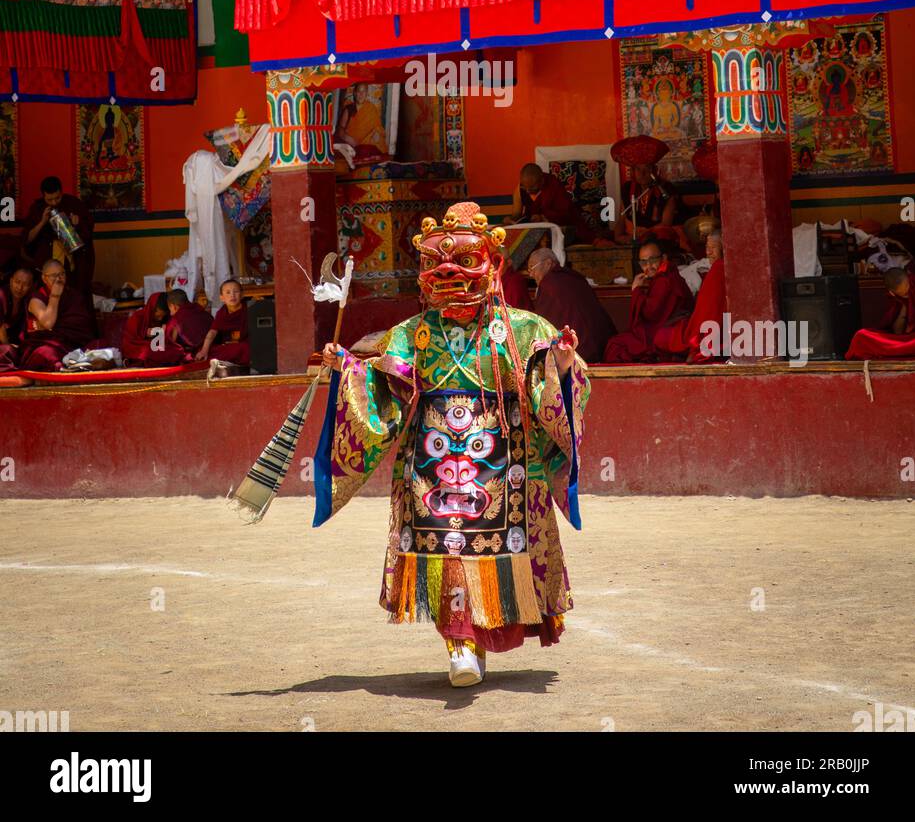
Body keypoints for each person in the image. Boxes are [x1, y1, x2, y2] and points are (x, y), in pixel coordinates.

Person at [234, 201, 590, 690]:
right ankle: (459, 644)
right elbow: (385, 385)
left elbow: (556, 385)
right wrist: (349, 370)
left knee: (492, 556)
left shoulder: (525, 329)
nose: (450, 276)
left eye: (465, 264)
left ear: (493, 265)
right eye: (438, 266)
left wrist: (565, 365)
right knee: (447, 552)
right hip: (433, 464)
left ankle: (477, 639)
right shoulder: (412, 334)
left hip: (506, 465)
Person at [604, 236, 693, 364]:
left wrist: (636, 291)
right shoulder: (668, 275)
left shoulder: (664, 280)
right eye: (643, 262)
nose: (648, 266)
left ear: (663, 258)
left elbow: (650, 313)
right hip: (665, 328)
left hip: (661, 333)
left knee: (615, 346)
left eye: (652, 260)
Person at [526, 248, 616, 365]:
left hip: (580, 350)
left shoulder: (549, 283)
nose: (531, 274)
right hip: (603, 345)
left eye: (532, 268)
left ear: (548, 263)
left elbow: (543, 322)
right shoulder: (574, 276)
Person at [653, 229, 728, 363]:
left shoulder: (719, 269)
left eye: (713, 248)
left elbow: (709, 315)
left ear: (725, 248)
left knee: (660, 336)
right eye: (707, 247)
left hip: (705, 335)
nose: (708, 252)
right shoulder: (720, 268)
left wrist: (697, 345)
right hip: (713, 331)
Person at [20, 176, 95, 295]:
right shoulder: (38, 208)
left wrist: (77, 223)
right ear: (43, 196)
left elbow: (88, 231)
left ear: (61, 192)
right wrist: (42, 222)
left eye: (57, 198)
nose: (54, 202)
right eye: (50, 200)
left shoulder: (73, 203)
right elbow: (27, 239)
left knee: (74, 295)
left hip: (71, 264)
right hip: (47, 262)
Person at [19, 260, 97, 371]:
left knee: (98, 347)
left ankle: (70, 363)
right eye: (54, 276)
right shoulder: (36, 298)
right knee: (45, 353)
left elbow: (81, 324)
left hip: (74, 342)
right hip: (52, 343)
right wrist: (55, 296)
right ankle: (62, 367)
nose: (59, 279)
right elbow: (48, 323)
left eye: (62, 274)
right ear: (44, 278)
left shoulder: (73, 295)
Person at [505, 162, 597, 244]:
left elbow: (566, 214)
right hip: (534, 229)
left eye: (532, 188)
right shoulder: (521, 189)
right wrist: (510, 219)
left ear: (542, 180)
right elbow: (517, 214)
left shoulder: (553, 185)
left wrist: (543, 217)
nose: (528, 191)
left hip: (557, 227)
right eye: (525, 188)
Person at [846, 268, 915, 359]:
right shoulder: (894, 300)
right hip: (902, 341)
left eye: (909, 289)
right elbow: (898, 332)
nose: (909, 294)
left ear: (909, 279)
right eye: (904, 294)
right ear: (892, 293)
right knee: (861, 336)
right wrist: (904, 305)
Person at [614, 162, 677, 245]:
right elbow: (622, 219)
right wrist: (619, 237)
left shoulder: (665, 188)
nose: (642, 173)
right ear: (633, 171)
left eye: (647, 168)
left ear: (654, 170)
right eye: (638, 169)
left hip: (656, 236)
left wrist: (645, 234)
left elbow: (666, 223)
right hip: (632, 236)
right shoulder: (627, 188)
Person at [195, 278, 250, 370]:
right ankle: (225, 362)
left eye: (236, 291)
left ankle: (225, 362)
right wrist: (204, 350)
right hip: (228, 346)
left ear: (242, 295)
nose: (232, 295)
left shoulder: (249, 309)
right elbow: (213, 332)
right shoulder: (221, 312)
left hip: (243, 345)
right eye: (228, 292)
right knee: (206, 350)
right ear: (222, 298)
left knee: (246, 348)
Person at [0, 264, 35, 371]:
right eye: (17, 282)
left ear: (30, 286)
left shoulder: (28, 301)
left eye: (25, 284)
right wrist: (9, 348)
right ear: (10, 281)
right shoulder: (1, 296)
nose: (19, 288)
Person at [119, 292, 169, 365]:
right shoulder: (136, 317)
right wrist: (145, 333)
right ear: (152, 309)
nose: (160, 319)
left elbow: (166, 340)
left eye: (163, 316)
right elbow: (128, 342)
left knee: (174, 350)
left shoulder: (166, 319)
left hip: (157, 348)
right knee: (147, 352)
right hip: (140, 347)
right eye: (158, 316)